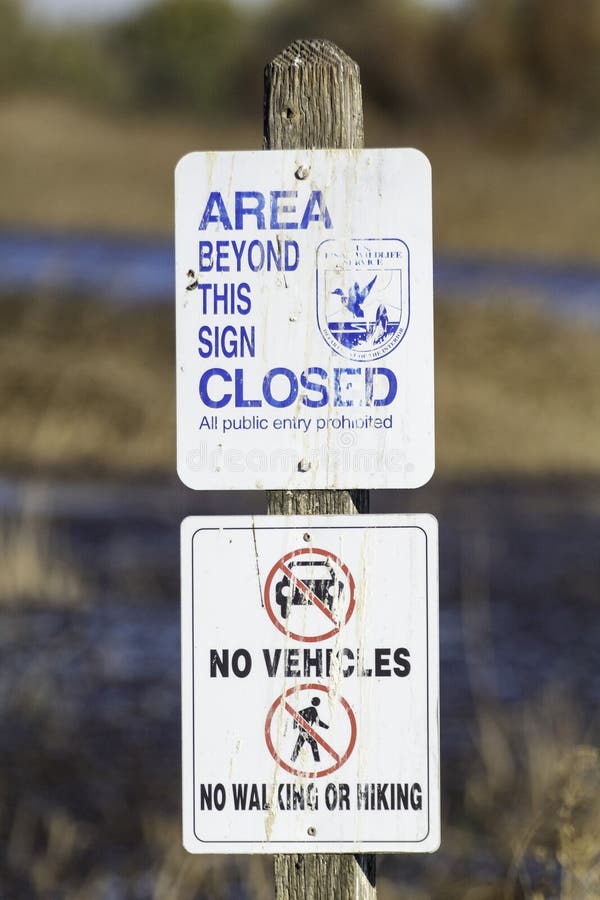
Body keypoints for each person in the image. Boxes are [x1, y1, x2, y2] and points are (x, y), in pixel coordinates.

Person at [291, 697, 329, 763]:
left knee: (299, 744)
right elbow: (318, 723)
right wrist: (327, 727)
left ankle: (293, 759)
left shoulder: (309, 709)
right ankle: (317, 761)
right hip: (305, 730)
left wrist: (295, 726)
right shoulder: (313, 709)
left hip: (303, 730)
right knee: (313, 743)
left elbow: (296, 715)